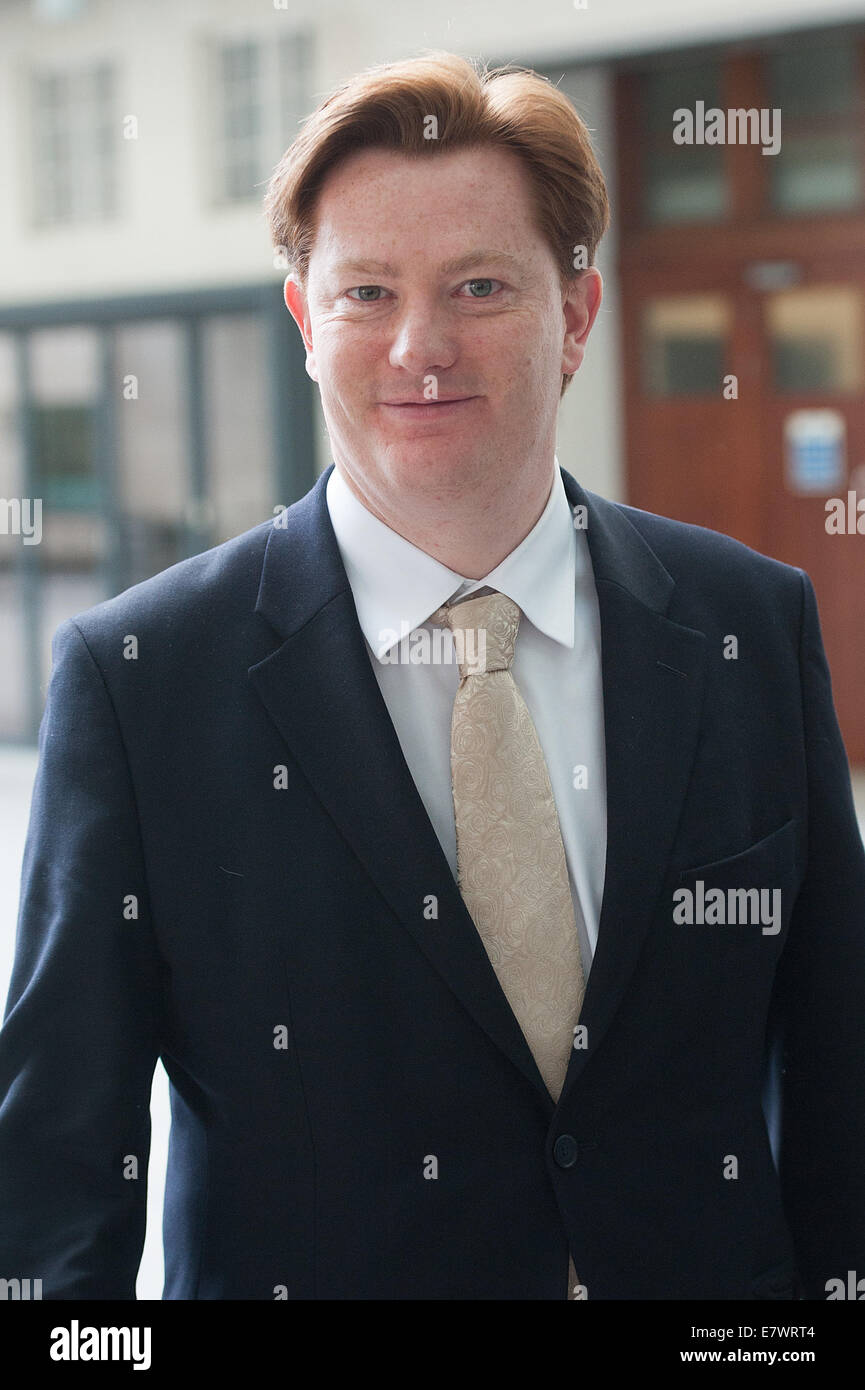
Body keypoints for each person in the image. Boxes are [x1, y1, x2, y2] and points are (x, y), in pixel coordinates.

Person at [1, 50, 863, 1302]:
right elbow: (52, 1177)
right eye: (365, 292)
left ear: (575, 315)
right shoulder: (141, 682)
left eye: (478, 285)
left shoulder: (751, 624)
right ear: (305, 322)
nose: (420, 346)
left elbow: (838, 1067)